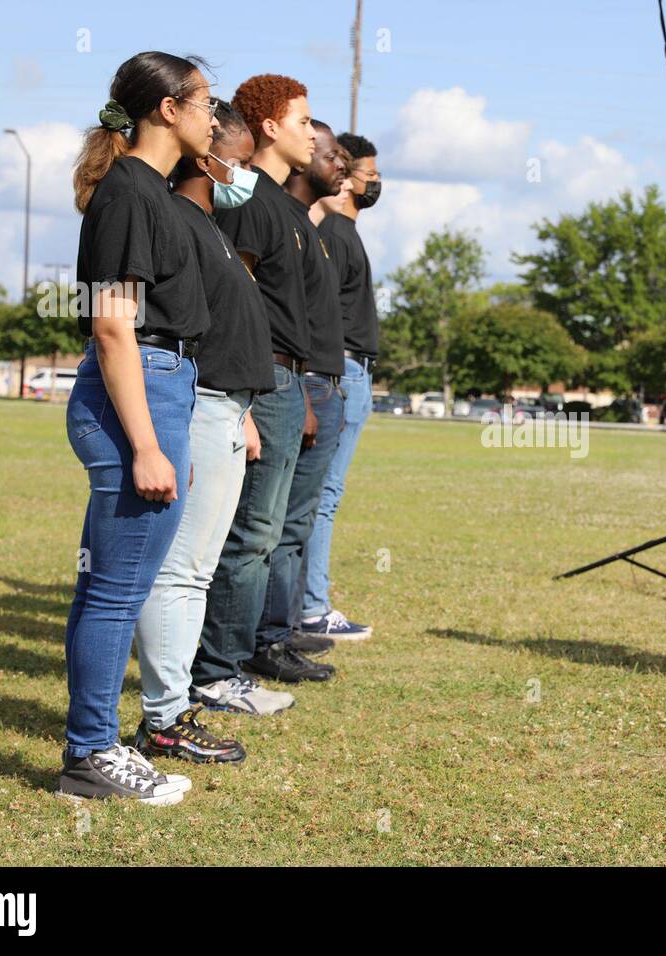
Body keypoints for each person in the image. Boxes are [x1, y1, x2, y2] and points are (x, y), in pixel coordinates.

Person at [58, 51, 216, 804]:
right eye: (205, 103)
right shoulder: (127, 193)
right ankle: (91, 754)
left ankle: (97, 747)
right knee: (115, 594)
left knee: (116, 589)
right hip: (137, 392)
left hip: (163, 388)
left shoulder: (150, 189)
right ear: (167, 109)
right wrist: (148, 443)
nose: (213, 119)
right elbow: (113, 329)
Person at [130, 103, 284, 766]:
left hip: (227, 409)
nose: (243, 174)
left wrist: (244, 411)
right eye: (240, 161)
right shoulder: (181, 221)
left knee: (197, 570)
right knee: (182, 570)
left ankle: (173, 706)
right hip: (202, 408)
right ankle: (164, 717)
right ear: (205, 154)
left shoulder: (211, 226)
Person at [191, 73, 324, 707]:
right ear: (269, 126)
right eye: (302, 120)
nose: (309, 132)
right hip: (259, 379)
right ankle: (217, 670)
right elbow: (235, 300)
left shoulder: (283, 205)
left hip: (283, 379)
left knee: (264, 531)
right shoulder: (251, 201)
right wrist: (248, 394)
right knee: (250, 532)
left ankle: (229, 662)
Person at [245, 119, 351, 676]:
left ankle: (277, 632)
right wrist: (305, 393)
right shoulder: (272, 211)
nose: (332, 160)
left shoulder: (308, 223)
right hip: (299, 385)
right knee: (272, 528)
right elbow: (270, 317)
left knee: (293, 525)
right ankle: (265, 641)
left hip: (317, 384)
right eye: (330, 152)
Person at [294, 132, 382, 642]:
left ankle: (306, 603)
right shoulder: (333, 233)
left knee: (326, 494)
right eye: (369, 173)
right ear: (346, 177)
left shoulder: (345, 231)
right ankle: (310, 607)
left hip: (354, 371)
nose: (375, 183)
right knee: (322, 495)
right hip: (340, 372)